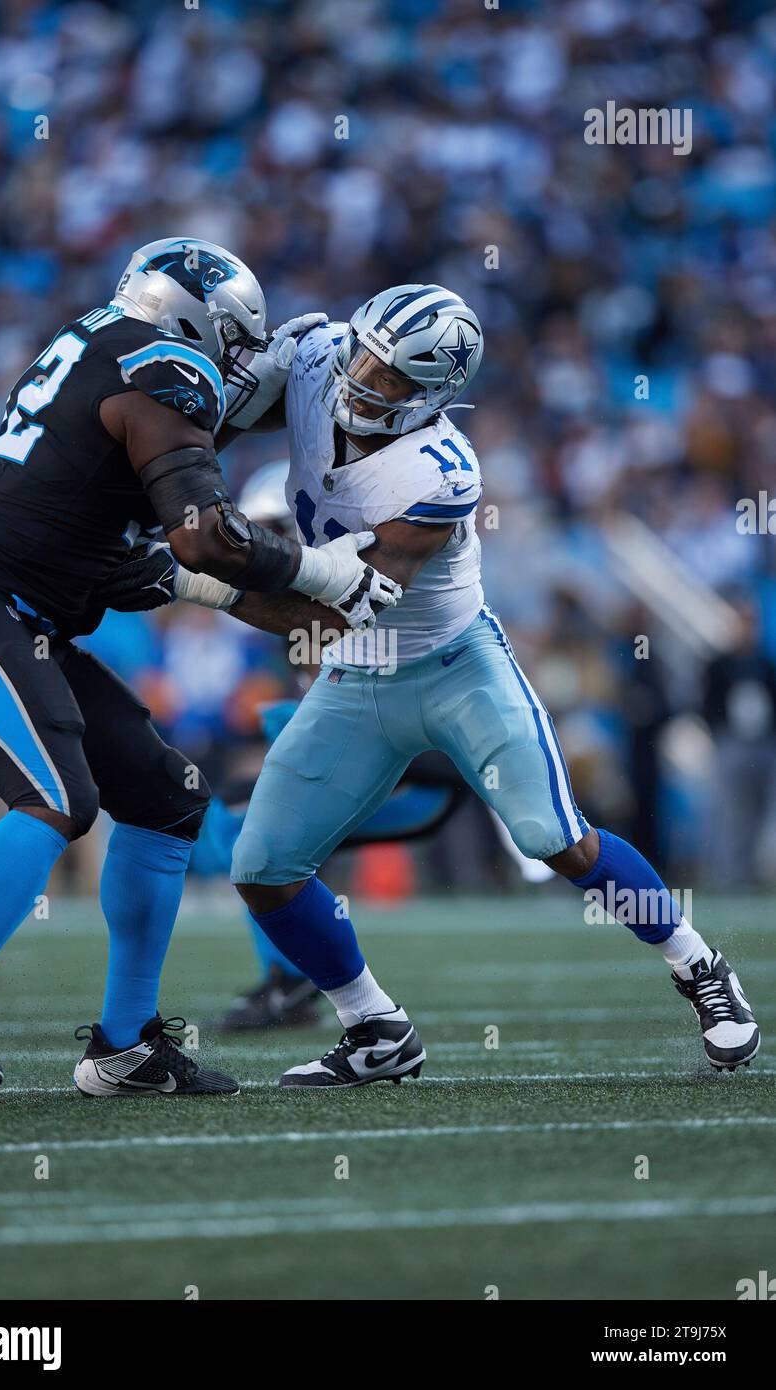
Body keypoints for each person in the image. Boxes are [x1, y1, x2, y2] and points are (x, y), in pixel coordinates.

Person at [215, 283, 759, 1086]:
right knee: (262, 868)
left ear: (433, 395)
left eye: (391, 377)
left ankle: (699, 965)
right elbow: (213, 425)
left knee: (556, 838)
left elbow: (330, 611)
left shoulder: (436, 473)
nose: (362, 378)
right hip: (357, 682)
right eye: (363, 354)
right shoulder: (316, 358)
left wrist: (205, 580)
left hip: (453, 665)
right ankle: (374, 1025)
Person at [0, 238, 400, 1099]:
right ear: (195, 325)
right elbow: (204, 536)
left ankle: (126, 1044)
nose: (240, 369)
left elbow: (160, 563)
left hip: (18, 609)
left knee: (167, 800)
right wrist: (329, 576)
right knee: (58, 796)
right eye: (235, 344)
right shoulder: (163, 370)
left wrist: (325, 610)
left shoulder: (111, 350)